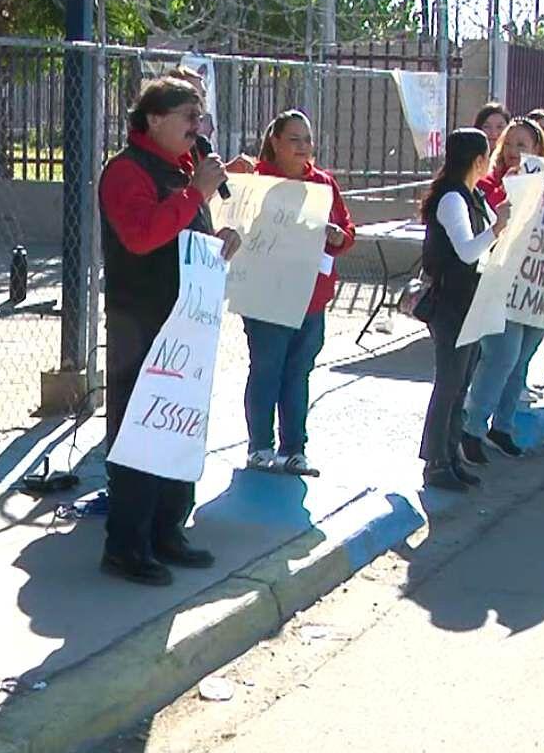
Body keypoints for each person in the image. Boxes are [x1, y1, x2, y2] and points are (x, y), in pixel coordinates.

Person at [98, 77, 240, 586]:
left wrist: (217, 241)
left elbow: (180, 232)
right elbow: (142, 236)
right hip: (141, 322)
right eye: (189, 118)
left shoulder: (182, 171)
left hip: (184, 323)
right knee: (141, 432)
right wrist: (195, 192)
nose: (198, 129)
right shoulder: (126, 171)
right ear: (155, 118)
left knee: (178, 428)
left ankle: (167, 529)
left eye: (201, 119)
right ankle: (126, 545)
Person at [242, 110, 354, 476]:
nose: (303, 147)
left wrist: (338, 236)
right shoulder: (256, 182)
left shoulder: (323, 183)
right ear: (275, 142)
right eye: (294, 139)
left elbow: (347, 230)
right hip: (266, 297)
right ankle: (260, 448)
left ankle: (294, 450)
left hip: (311, 299)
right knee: (266, 370)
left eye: (307, 139)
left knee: (298, 373)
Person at [418, 128, 504, 493]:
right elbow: (468, 250)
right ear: (479, 160)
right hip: (451, 302)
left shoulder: (473, 195)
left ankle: (451, 455)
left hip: (472, 299)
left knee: (462, 380)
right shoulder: (452, 198)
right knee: (450, 382)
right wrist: (498, 228)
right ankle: (436, 460)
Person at [459, 118, 544, 462]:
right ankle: (472, 427)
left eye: (521, 145)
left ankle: (502, 426)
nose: (512, 151)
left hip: (536, 285)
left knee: (521, 360)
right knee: (501, 357)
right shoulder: (486, 185)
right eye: (508, 144)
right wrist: (511, 190)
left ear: (537, 151)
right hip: (499, 284)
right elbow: (492, 225)